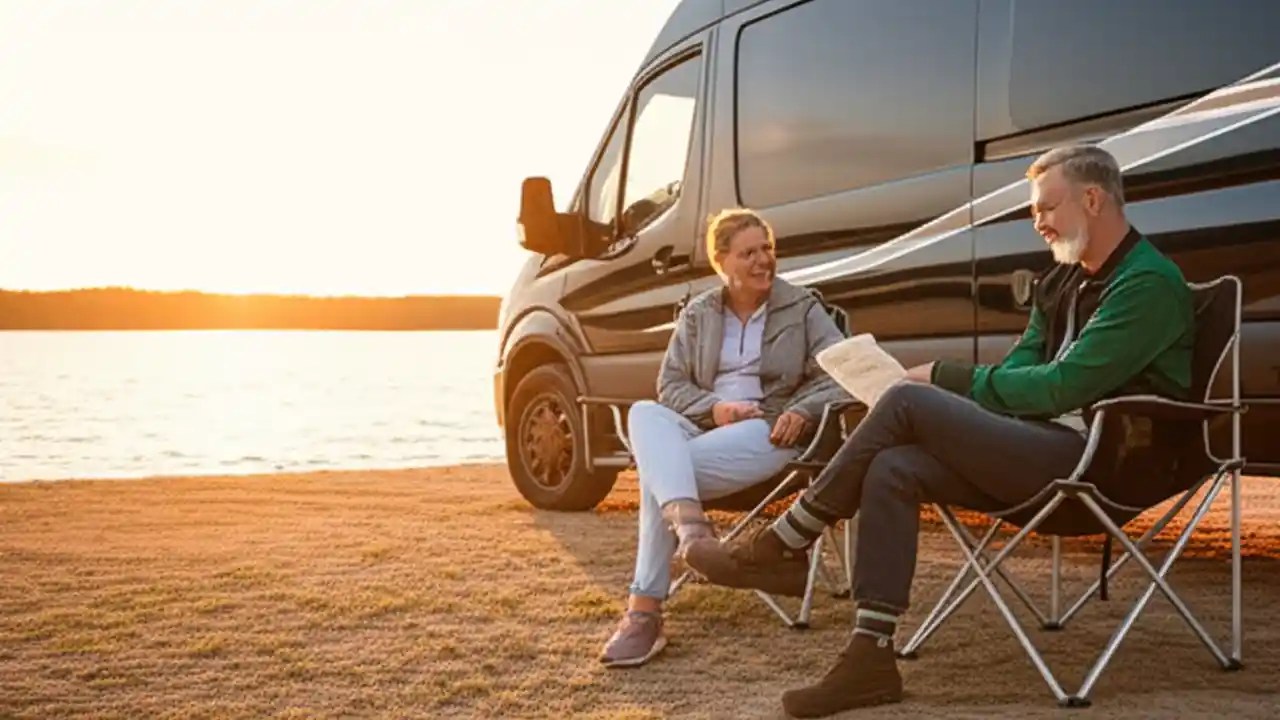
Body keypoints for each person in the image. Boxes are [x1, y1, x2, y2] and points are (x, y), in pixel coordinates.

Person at [684, 145, 1195, 717]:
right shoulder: (1062, 282)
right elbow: (1020, 371)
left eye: (1047, 208)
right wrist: (968, 398)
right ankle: (870, 657)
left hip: (1100, 465)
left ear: (1093, 200)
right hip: (1037, 448)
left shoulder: (1147, 284)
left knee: (909, 399)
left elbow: (1061, 388)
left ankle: (783, 542)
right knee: (894, 466)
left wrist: (945, 379)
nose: (1038, 222)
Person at [598, 207, 850, 668]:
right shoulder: (699, 314)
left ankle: (644, 611)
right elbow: (670, 386)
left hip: (769, 430)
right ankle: (693, 533)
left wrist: (800, 409)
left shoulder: (802, 307)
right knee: (644, 413)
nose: (763, 260)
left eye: (767, 249)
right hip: (703, 425)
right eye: (748, 253)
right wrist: (715, 408)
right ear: (721, 261)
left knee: (658, 474)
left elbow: (843, 371)